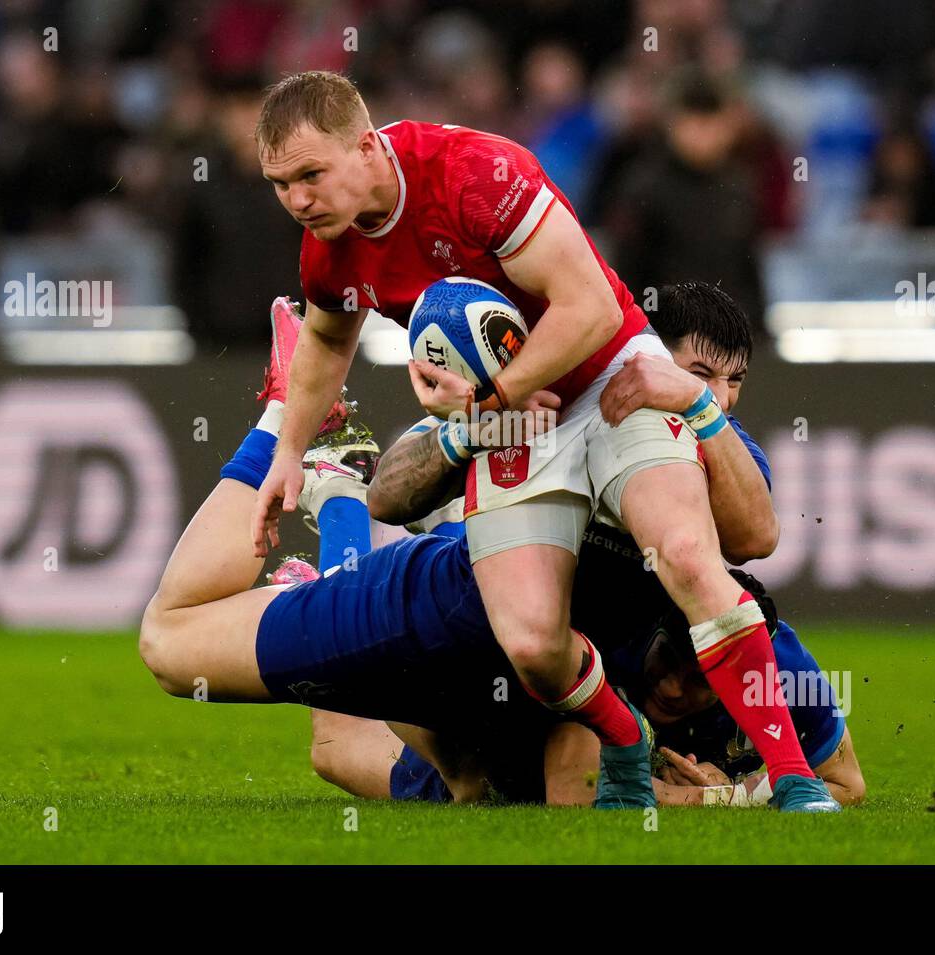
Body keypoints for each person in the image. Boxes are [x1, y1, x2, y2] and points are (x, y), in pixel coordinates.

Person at [246, 70, 831, 810]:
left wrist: (490, 399)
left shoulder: (474, 175)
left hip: (612, 380)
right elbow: (327, 341)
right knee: (530, 645)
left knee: (686, 553)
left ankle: (793, 779)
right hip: (515, 420)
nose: (297, 199)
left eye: (310, 175)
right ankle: (624, 738)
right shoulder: (328, 248)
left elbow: (586, 307)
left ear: (366, 148)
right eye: (278, 184)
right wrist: (289, 452)